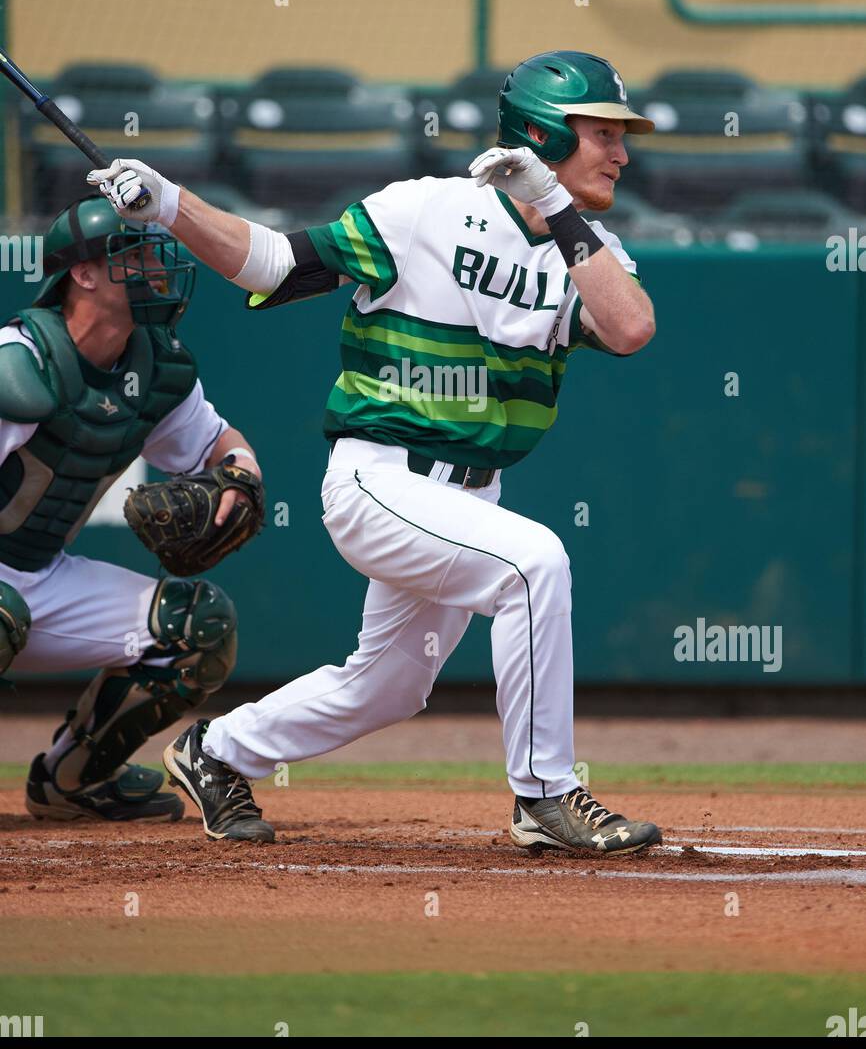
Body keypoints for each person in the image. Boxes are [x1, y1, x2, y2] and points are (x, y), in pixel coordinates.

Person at [89, 49, 661, 855]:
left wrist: (556, 207)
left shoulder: (585, 251)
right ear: (542, 133)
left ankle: (215, 752)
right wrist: (170, 203)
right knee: (536, 565)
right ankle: (545, 794)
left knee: (388, 686)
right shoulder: (425, 210)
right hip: (379, 478)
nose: (623, 153)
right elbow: (277, 266)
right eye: (604, 133)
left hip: (469, 500)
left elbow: (632, 328)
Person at [0, 197, 265, 830]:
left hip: (42, 576)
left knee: (198, 627)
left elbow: (220, 445)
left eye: (150, 252)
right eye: (132, 255)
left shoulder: (156, 365)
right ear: (83, 275)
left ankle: (74, 780)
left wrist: (240, 479)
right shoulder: (18, 362)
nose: (153, 265)